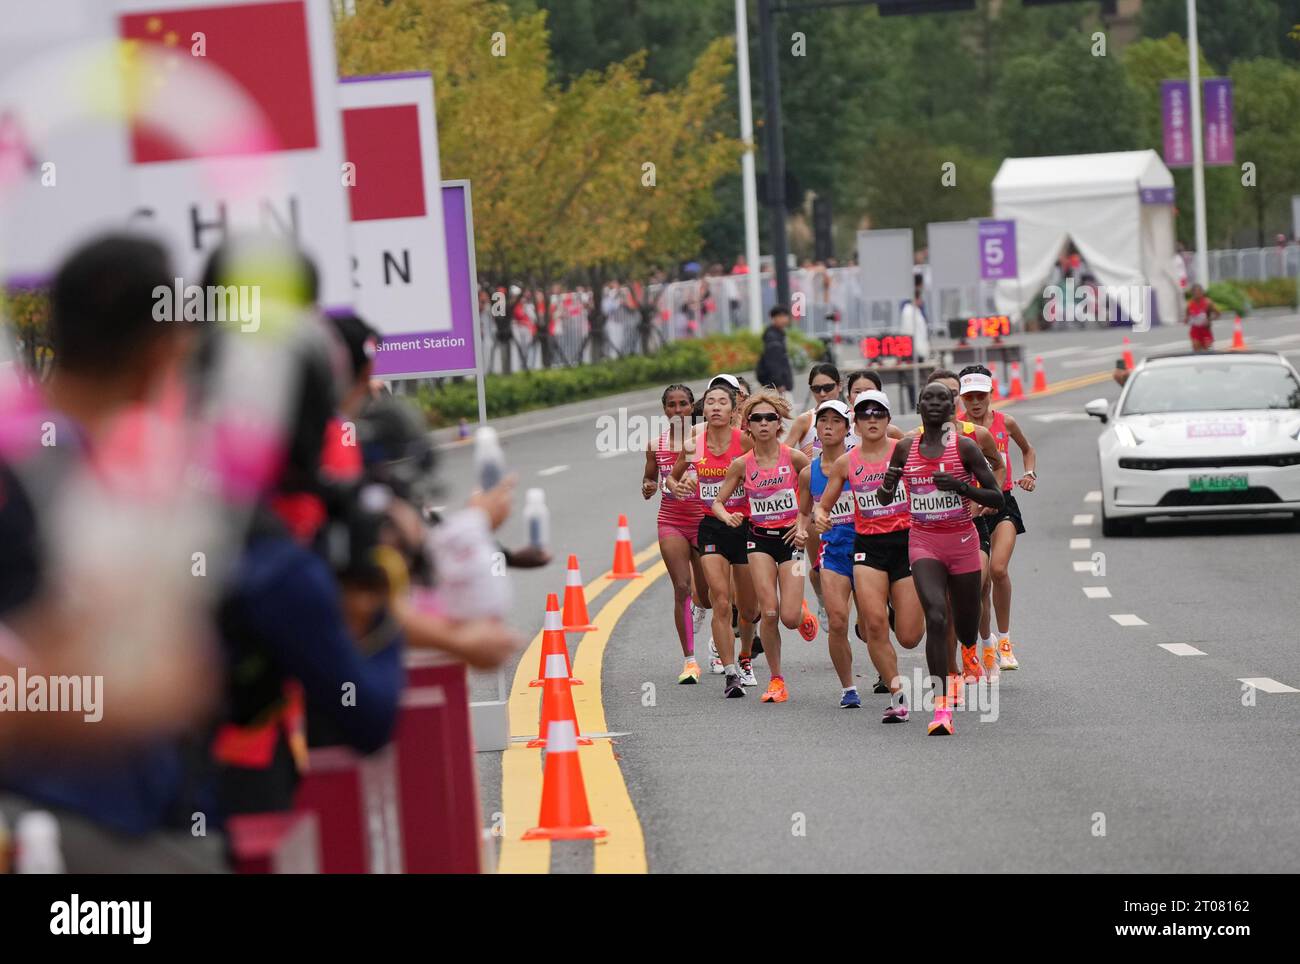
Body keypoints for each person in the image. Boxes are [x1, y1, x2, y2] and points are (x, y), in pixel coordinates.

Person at [875, 382, 1003, 735]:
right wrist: (889, 482)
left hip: (962, 541)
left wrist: (961, 487)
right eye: (927, 398)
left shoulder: (965, 448)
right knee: (935, 613)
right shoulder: (904, 448)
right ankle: (941, 706)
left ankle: (970, 648)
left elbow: (997, 498)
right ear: (918, 406)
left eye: (941, 399)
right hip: (923, 542)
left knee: (965, 624)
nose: (934, 403)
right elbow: (886, 497)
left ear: (951, 407)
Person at [815, 390, 924, 722]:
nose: (872, 419)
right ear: (857, 424)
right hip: (869, 547)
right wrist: (820, 515)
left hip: (906, 543)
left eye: (879, 413)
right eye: (865, 414)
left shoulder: (904, 451)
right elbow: (824, 503)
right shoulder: (847, 463)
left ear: (888, 419)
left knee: (908, 636)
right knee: (874, 625)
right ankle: (898, 695)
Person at [712, 390, 815, 703]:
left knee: (790, 618)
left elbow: (816, 495)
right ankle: (776, 679)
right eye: (757, 418)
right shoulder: (742, 465)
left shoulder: (795, 458)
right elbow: (718, 501)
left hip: (791, 542)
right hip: (759, 541)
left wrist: (803, 528)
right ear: (748, 425)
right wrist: (727, 515)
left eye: (771, 417)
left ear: (779, 423)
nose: (764, 422)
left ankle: (800, 612)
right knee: (767, 612)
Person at [911, 369, 1005, 685]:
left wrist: (977, 496)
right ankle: (949, 677)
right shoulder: (910, 441)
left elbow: (999, 468)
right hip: (926, 536)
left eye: (949, 394)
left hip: (971, 526)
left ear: (955, 401)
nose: (942, 400)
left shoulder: (975, 436)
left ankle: (974, 645)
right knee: (939, 611)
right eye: (933, 395)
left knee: (978, 592)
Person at [670, 383, 758, 696]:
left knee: (747, 609)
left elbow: (768, 470)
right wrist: (676, 486)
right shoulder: (695, 441)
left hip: (745, 527)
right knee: (721, 601)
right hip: (710, 527)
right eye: (711, 402)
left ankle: (746, 656)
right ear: (703, 410)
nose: (716, 407)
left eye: (723, 402)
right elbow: (672, 475)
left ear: (734, 410)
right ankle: (731, 673)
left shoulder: (746, 441)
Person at [956, 366, 1035, 673]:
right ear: (962, 398)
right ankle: (986, 644)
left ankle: (1005, 642)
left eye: (981, 396)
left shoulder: (1006, 422)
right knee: (980, 583)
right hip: (971, 508)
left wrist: (1029, 473)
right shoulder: (957, 429)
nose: (975, 402)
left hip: (1001, 504)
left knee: (999, 569)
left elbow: (1028, 450)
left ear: (990, 394)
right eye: (969, 397)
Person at [642, 384, 708, 684]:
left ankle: (704, 610)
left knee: (708, 596)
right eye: (671, 405)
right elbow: (649, 479)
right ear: (665, 409)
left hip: (705, 522)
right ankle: (690, 661)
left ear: (692, 407)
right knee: (681, 588)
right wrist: (649, 486)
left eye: (683, 404)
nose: (678, 410)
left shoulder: (704, 441)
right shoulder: (655, 445)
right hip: (671, 521)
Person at [755, 304, 794, 398]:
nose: (784, 319)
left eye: (785, 316)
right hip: (775, 387)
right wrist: (779, 383)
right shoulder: (772, 337)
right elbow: (773, 363)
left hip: (776, 386)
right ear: (773, 318)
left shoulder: (779, 334)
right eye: (780, 316)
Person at [1184, 283, 1219, 352]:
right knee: (1196, 349)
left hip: (1206, 330)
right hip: (1195, 330)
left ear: (1202, 292)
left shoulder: (1208, 302)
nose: (1197, 294)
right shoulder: (1190, 304)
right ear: (1192, 293)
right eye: (1195, 293)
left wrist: (1210, 320)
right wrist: (1187, 320)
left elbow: (1218, 314)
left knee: (1208, 351)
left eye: (1199, 292)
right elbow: (1186, 318)